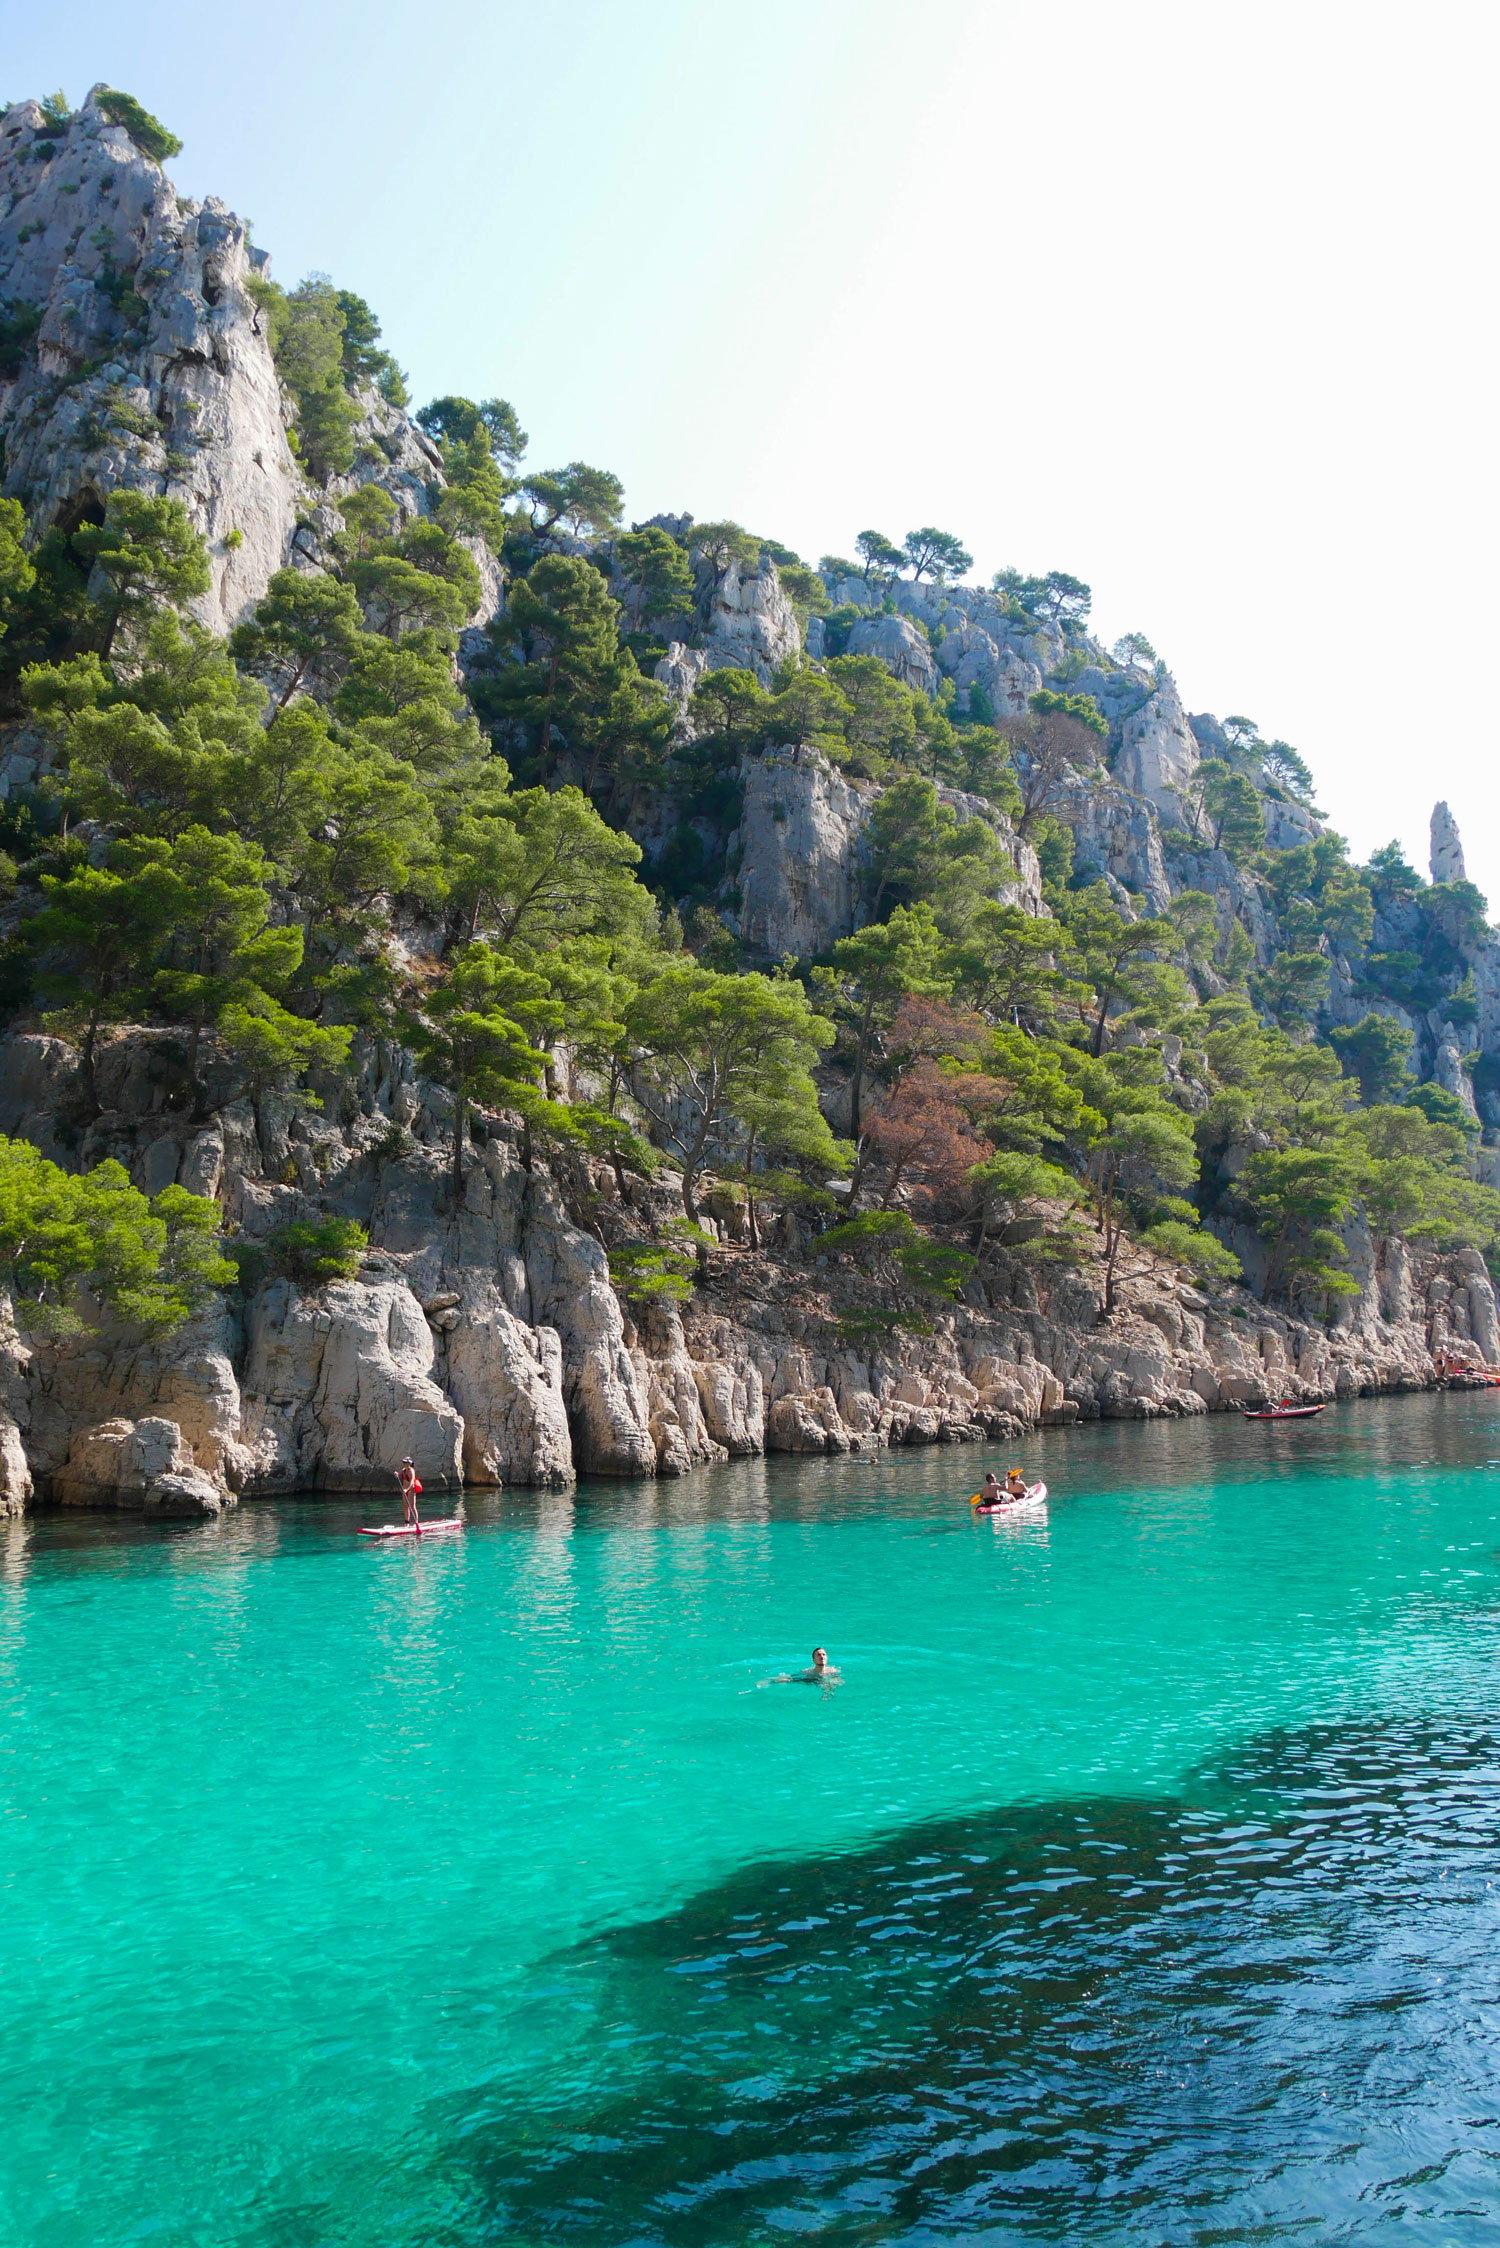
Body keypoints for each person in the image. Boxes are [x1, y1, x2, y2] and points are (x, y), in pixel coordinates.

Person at [398, 1456, 422, 1531]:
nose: (404, 1463)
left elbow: (411, 1483)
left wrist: (407, 1489)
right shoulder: (404, 1470)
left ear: (409, 1463)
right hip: (405, 1490)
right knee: (405, 1506)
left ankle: (416, 1523)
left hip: (411, 1490)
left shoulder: (412, 1471)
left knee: (412, 1506)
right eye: (403, 1462)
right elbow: (398, 1474)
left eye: (405, 1462)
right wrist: (396, 1474)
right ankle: (407, 1522)